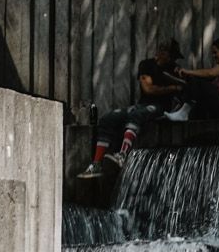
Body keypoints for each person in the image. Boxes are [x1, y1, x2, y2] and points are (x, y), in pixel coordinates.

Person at [76, 40, 189, 178]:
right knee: (108, 118)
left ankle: (123, 155)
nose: (172, 59)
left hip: (160, 108)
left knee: (136, 115)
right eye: (170, 55)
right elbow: (148, 89)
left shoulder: (174, 69)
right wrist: (172, 88)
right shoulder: (146, 65)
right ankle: (96, 163)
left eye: (174, 57)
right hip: (143, 104)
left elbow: (185, 89)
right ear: (162, 52)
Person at [176, 36, 219, 120]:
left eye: (215, 52)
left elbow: (210, 73)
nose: (213, 56)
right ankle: (185, 111)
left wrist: (187, 71)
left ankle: (185, 112)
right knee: (196, 83)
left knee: (202, 84)